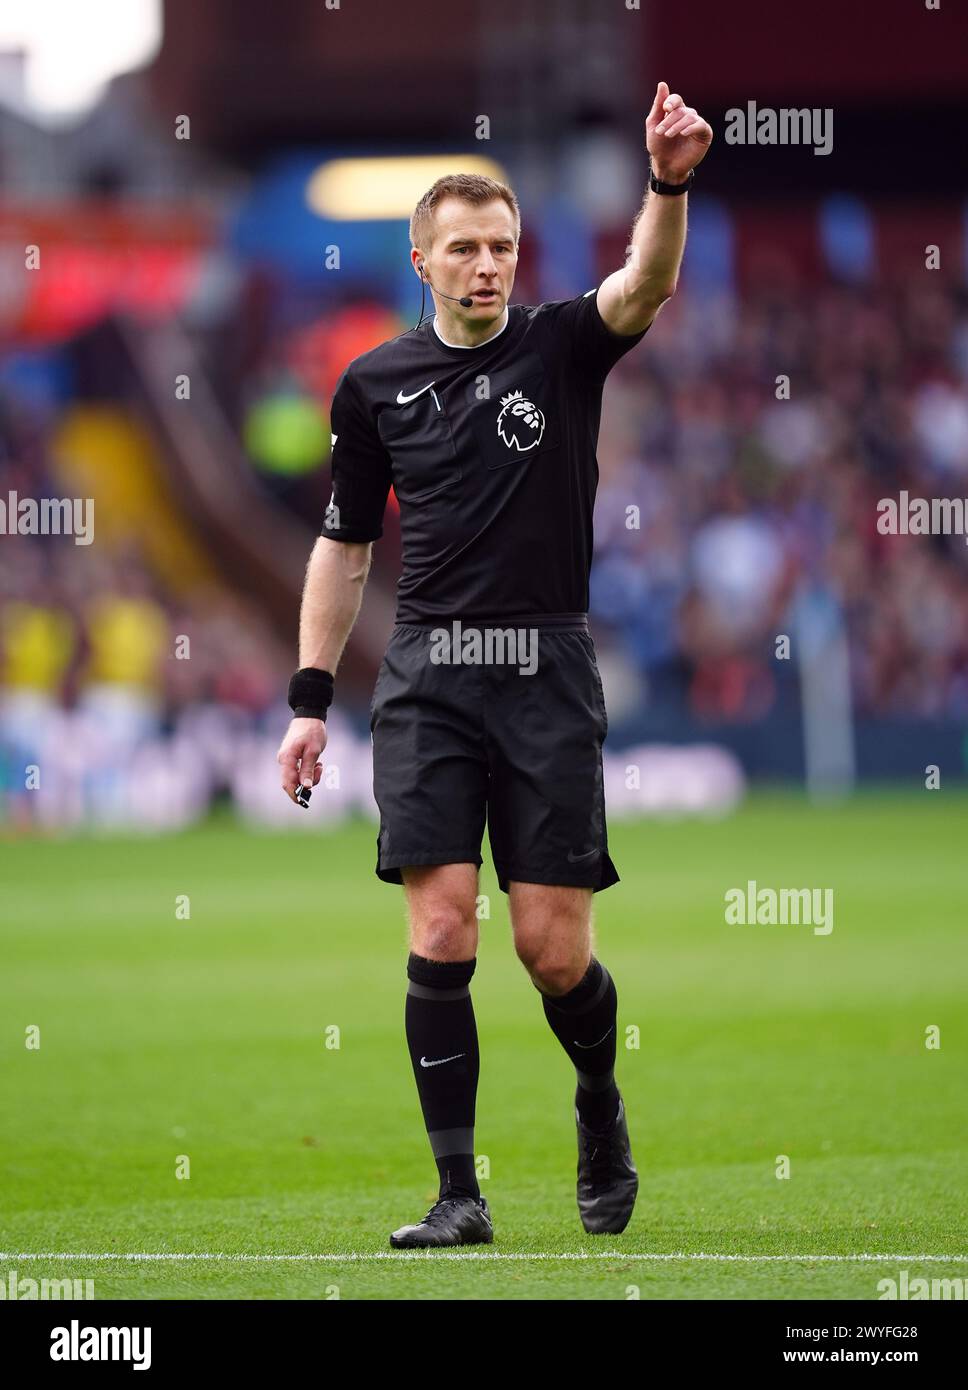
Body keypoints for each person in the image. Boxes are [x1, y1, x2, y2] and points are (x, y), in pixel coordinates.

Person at [278, 83, 712, 1248]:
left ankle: (597, 1102)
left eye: (502, 247)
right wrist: (309, 701)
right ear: (421, 260)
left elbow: (644, 284)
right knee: (441, 930)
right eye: (464, 248)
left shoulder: (560, 346)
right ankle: (457, 1193)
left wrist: (665, 183)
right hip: (427, 676)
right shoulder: (373, 384)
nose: (486, 266)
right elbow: (343, 547)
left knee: (549, 949)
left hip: (545, 668)